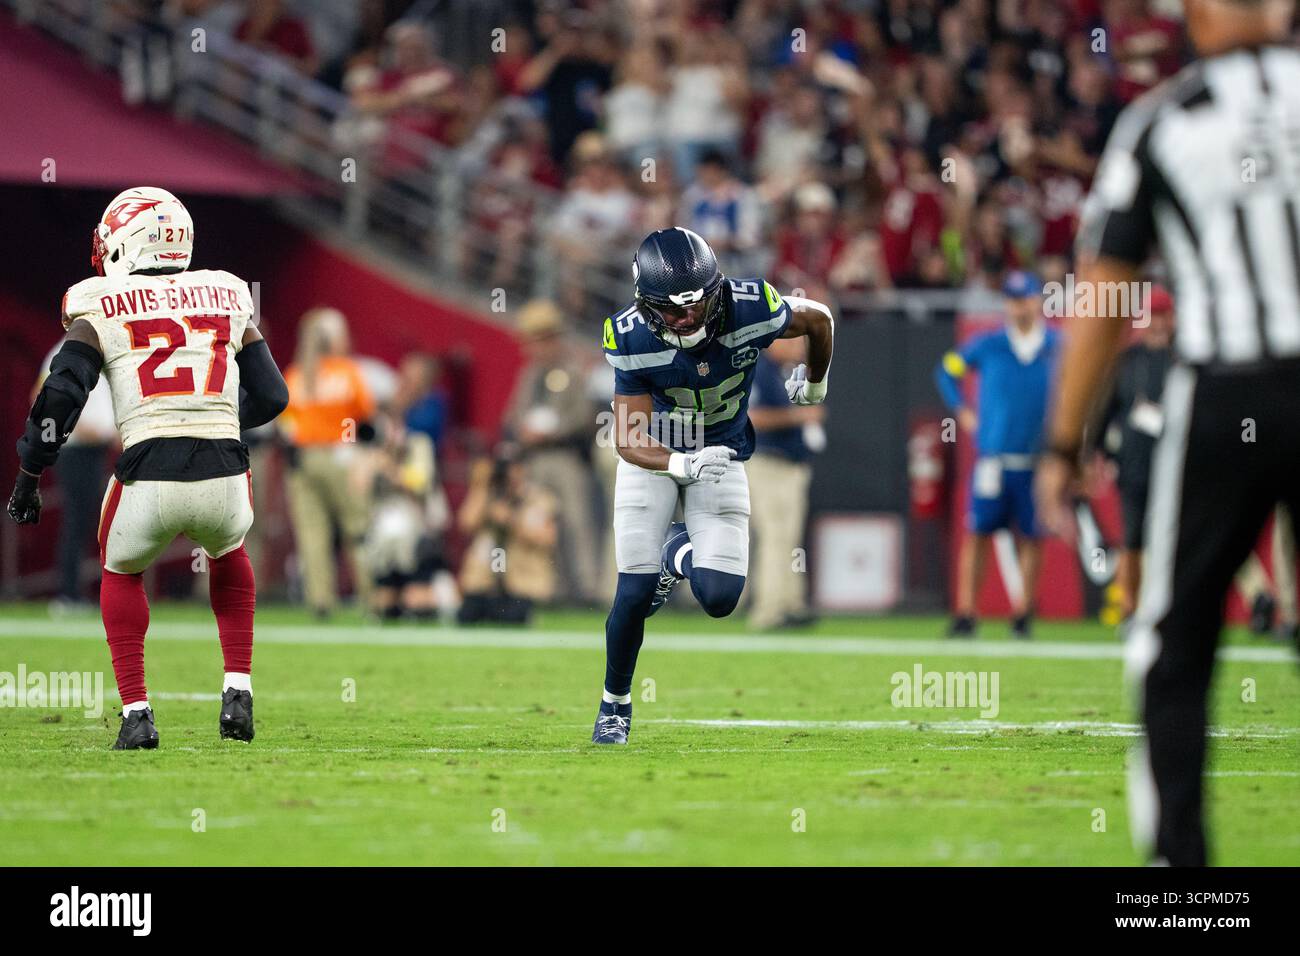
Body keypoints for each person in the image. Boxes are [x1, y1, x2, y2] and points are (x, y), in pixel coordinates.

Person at [1036, 0, 1300, 866]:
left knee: (1174, 641)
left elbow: (1105, 289)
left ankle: (1180, 883)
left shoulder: (1163, 121)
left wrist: (1064, 442)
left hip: (1228, 386)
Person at [6, 187, 288, 749]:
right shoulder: (227, 292)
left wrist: (29, 477)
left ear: (122, 242)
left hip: (146, 473)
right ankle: (238, 690)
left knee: (120, 570)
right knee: (228, 551)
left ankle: (137, 714)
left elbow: (59, 398)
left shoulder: (97, 303)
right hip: (225, 476)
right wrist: (219, 422)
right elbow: (274, 395)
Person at [594, 227, 834, 744]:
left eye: (698, 304)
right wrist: (680, 464)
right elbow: (628, 439)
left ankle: (676, 553)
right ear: (647, 303)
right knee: (633, 593)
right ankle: (615, 703)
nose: (689, 318)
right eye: (675, 310)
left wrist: (815, 384)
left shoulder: (750, 307)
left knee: (722, 597)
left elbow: (820, 319)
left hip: (723, 452)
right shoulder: (629, 335)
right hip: (655, 459)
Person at [935, 270, 1061, 639]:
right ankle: (967, 612)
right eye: (1012, 298)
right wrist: (962, 409)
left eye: (1024, 298)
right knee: (978, 531)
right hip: (993, 458)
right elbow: (947, 370)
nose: (1018, 306)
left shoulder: (1057, 344)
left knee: (1033, 536)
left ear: (1038, 301)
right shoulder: (988, 345)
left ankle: (1023, 613)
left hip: (1037, 459)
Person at [279, 308, 376, 619]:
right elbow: (366, 416)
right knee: (357, 528)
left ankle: (320, 600)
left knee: (312, 532)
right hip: (341, 455)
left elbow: (285, 422)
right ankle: (370, 598)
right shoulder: (347, 372)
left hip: (304, 459)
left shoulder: (295, 374)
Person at [503, 300, 601, 604]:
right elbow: (512, 415)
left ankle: (588, 589)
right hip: (535, 459)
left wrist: (550, 433)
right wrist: (522, 431)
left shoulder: (574, 372)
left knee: (577, 522)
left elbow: (584, 418)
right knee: (541, 523)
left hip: (565, 457)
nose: (531, 348)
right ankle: (551, 588)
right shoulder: (530, 376)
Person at [32, 339, 117, 612]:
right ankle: (67, 594)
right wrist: (74, 427)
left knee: (85, 521)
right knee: (76, 519)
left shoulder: (96, 353)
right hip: (76, 449)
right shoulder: (63, 351)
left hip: (94, 450)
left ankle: (75, 592)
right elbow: (40, 397)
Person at [747, 337, 824, 630]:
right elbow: (751, 417)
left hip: (793, 465)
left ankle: (792, 603)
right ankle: (768, 611)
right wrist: (798, 416)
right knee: (774, 535)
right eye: (793, 342)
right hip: (767, 463)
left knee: (789, 538)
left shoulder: (789, 371)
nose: (800, 348)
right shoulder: (757, 369)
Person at [456, 444, 558, 624]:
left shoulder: (537, 498)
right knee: (468, 614)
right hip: (485, 583)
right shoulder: (489, 494)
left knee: (514, 615)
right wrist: (482, 487)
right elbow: (466, 523)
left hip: (522, 582)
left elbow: (548, 537)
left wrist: (511, 521)